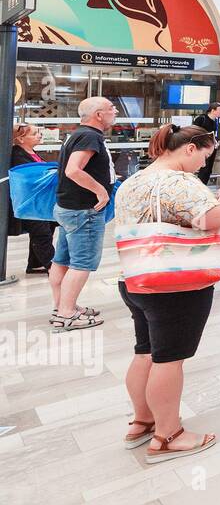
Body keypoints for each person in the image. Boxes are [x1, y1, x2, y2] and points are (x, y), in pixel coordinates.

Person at [116, 124, 220, 463]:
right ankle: (168, 436)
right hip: (173, 283)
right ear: (189, 149)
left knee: (146, 352)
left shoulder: (134, 179)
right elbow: (212, 219)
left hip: (134, 277)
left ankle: (143, 421)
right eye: (204, 156)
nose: (202, 164)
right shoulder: (179, 181)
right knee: (169, 360)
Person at [49, 96, 118, 331]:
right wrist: (102, 192)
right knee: (82, 263)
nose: (115, 111)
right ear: (98, 114)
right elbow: (73, 170)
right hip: (83, 210)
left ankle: (62, 307)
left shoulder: (79, 134)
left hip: (69, 208)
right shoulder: (89, 136)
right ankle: (67, 314)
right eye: (111, 108)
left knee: (62, 260)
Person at [10, 124, 55, 276]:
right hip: (29, 202)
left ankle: (35, 265)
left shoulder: (31, 152)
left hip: (39, 201)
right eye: (35, 133)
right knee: (42, 233)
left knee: (47, 228)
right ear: (21, 139)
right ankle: (52, 266)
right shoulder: (17, 155)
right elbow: (28, 177)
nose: (39, 135)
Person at [192, 102, 220, 186]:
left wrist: (215, 141)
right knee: (203, 168)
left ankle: (203, 187)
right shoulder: (201, 119)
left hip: (211, 147)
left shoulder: (214, 122)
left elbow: (212, 134)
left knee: (208, 169)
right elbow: (194, 132)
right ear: (213, 110)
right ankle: (199, 187)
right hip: (201, 147)